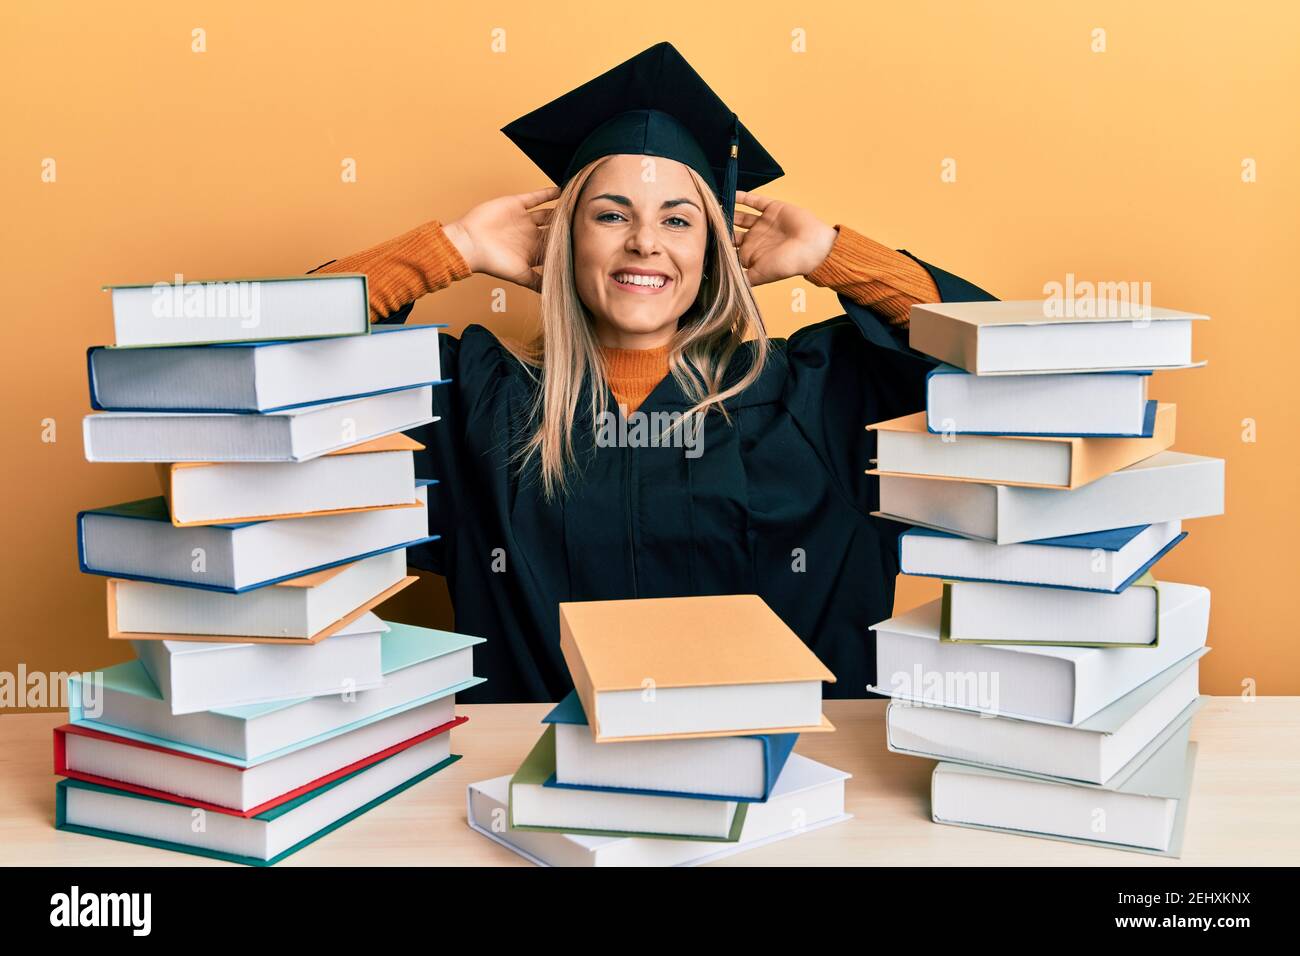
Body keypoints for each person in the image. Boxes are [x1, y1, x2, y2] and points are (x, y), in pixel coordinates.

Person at [308, 42, 996, 703]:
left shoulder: (814, 395)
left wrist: (830, 254)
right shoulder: (481, 403)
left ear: (714, 250)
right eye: (611, 215)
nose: (645, 240)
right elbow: (268, 361)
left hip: (786, 793)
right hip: (534, 784)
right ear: (565, 239)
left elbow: (999, 363)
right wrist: (450, 248)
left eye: (678, 219)